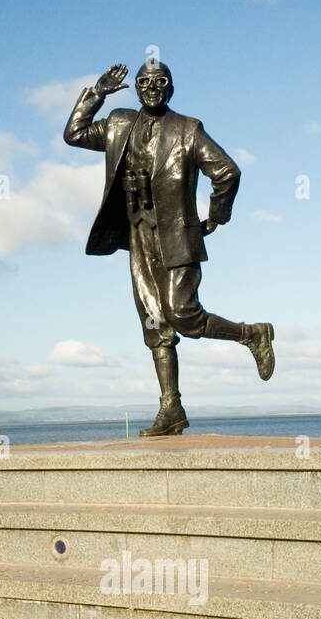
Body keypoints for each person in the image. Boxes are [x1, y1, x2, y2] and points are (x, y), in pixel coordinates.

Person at [64, 58, 275, 436]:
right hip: (138, 237)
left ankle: (251, 334)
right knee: (155, 323)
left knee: (183, 314)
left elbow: (227, 171)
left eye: (160, 82)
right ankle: (171, 409)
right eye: (145, 82)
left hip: (178, 236)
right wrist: (96, 93)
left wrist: (215, 217)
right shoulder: (118, 124)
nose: (151, 87)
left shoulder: (188, 130)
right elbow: (74, 134)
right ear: (137, 88)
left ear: (171, 89)